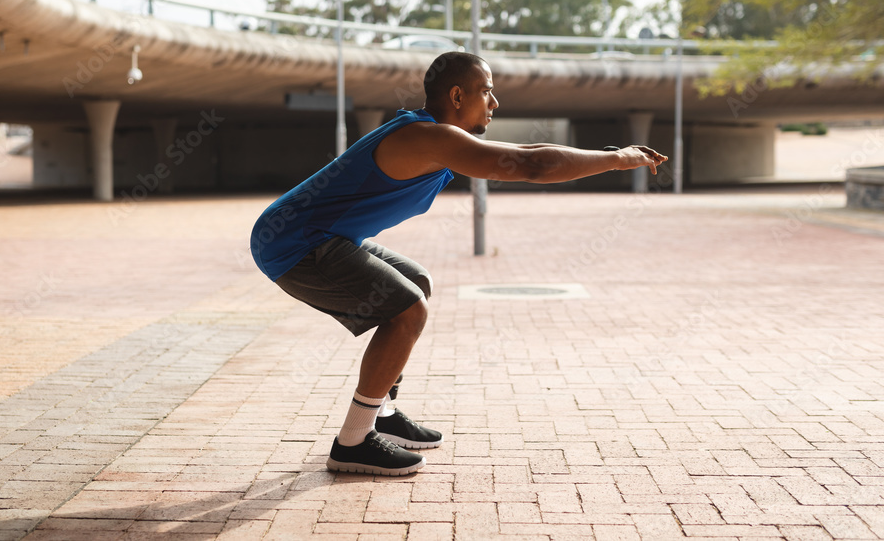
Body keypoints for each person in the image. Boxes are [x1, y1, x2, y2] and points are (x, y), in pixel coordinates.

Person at [250, 52, 667, 476]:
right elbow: (531, 163)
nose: (495, 102)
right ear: (456, 94)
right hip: (295, 242)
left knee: (415, 280)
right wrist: (618, 159)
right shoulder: (429, 138)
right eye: (486, 91)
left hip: (321, 236)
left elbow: (527, 152)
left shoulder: (434, 136)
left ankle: (383, 415)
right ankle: (353, 441)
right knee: (408, 308)